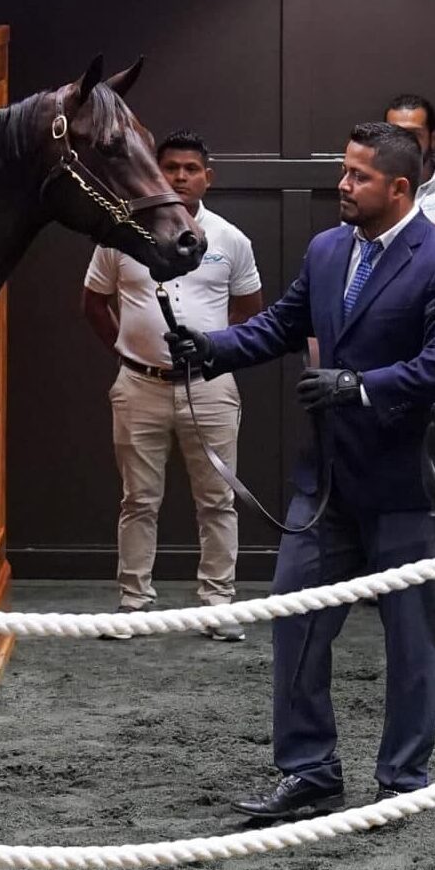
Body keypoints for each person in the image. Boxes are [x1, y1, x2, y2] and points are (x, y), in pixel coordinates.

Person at [166, 122, 435, 822]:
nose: (341, 184)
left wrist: (360, 385)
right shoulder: (326, 250)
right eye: (344, 170)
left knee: (413, 644)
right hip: (324, 484)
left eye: (357, 175)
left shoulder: (434, 256)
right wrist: (211, 349)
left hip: (407, 488)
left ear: (398, 188)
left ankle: (401, 782)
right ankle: (310, 772)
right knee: (293, 621)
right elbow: (281, 325)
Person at [82, 130, 263, 638]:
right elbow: (93, 302)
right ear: (156, 173)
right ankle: (134, 603)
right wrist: (128, 351)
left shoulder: (230, 240)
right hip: (139, 386)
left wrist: (214, 352)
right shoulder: (121, 235)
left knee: (218, 499)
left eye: (191, 169)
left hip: (210, 387)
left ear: (208, 177)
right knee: (138, 499)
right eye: (171, 168)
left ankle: (218, 605)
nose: (181, 177)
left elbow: (250, 310)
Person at [384, 93, 435, 222]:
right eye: (395, 134)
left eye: (414, 135)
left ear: (433, 139)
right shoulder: (367, 189)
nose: (404, 143)